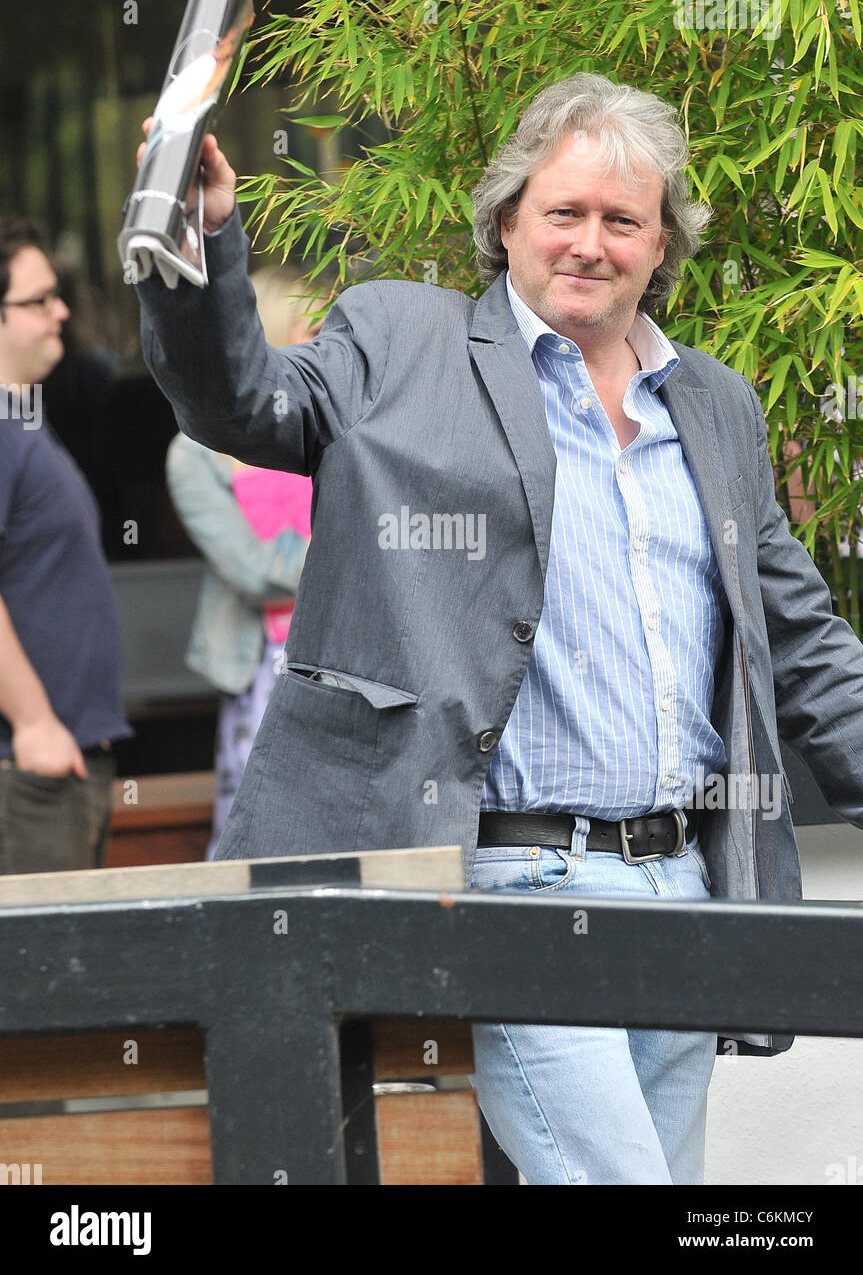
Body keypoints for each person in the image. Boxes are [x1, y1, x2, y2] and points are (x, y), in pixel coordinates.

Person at [135, 72, 863, 1185]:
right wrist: (206, 241)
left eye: (622, 220)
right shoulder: (401, 340)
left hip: (683, 883)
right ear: (505, 219)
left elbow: (803, 643)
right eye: (561, 211)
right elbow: (242, 400)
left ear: (661, 245)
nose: (589, 243)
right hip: (512, 881)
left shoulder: (713, 405)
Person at [165, 267, 315, 858]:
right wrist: (351, 563)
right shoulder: (195, 452)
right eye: (313, 322)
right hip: (263, 667)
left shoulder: (338, 431)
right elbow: (252, 571)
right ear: (275, 329)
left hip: (343, 657)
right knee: (253, 833)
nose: (330, 340)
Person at [0, 217, 132, 875]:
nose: (62, 312)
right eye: (38, 299)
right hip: (27, 769)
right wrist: (30, 722)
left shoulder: (21, 418)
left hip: (59, 759)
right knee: (36, 976)